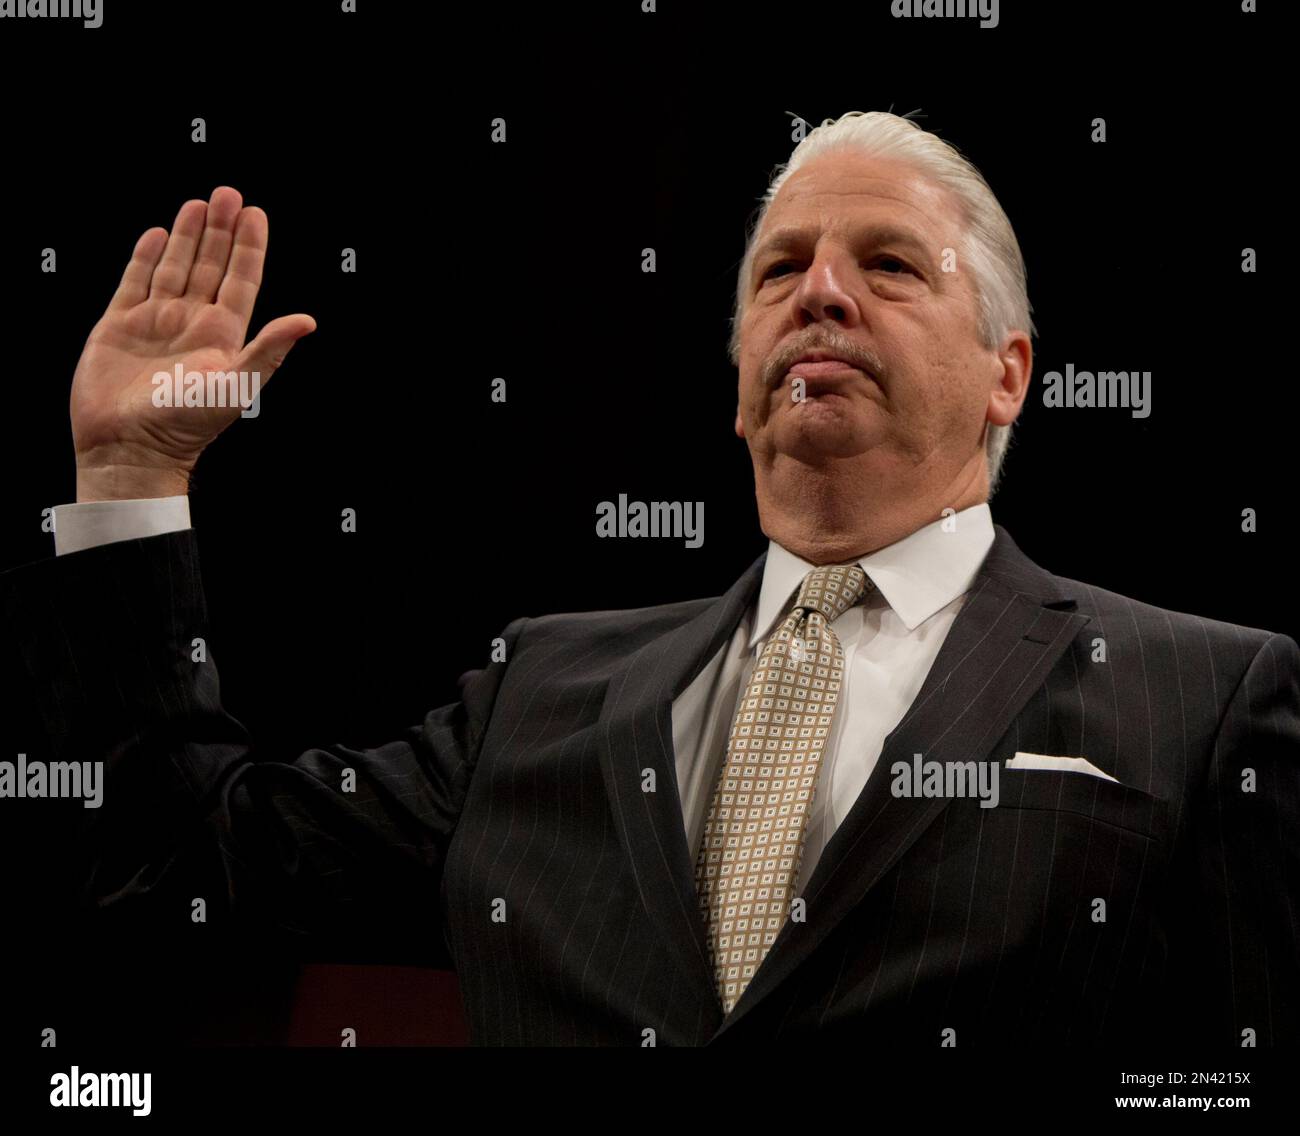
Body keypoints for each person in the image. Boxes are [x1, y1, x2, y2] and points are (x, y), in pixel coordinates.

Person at [3, 111, 1296, 1046]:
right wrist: (127, 478)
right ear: (737, 380)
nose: (821, 295)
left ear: (1009, 371)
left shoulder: (1205, 694)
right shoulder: (546, 691)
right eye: (780, 270)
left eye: (888, 265)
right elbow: (187, 872)